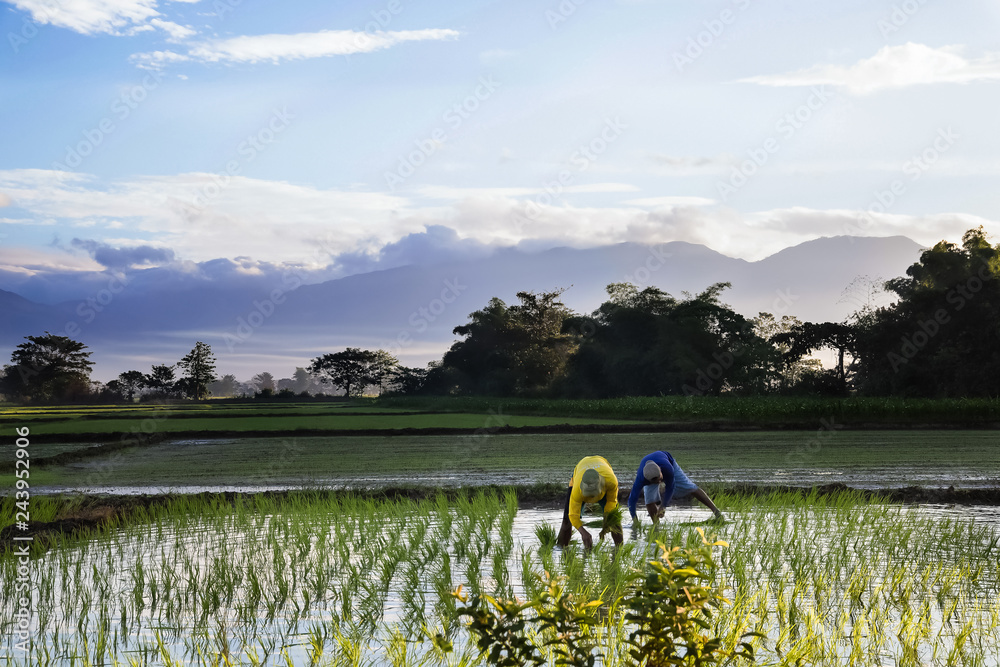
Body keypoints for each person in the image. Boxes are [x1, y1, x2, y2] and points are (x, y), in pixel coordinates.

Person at [627, 451, 723, 523]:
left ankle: (717, 513)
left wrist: (663, 506)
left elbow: (670, 488)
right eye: (656, 482)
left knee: (690, 487)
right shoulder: (641, 479)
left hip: (667, 460)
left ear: (660, 471)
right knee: (649, 501)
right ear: (648, 480)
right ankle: (656, 526)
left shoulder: (668, 469)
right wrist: (635, 520)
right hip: (649, 471)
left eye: (660, 479)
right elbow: (632, 500)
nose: (660, 483)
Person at [557, 455, 623, 549]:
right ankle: (561, 550)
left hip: (602, 465)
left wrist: (607, 522)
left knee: (614, 519)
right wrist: (583, 532)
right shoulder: (576, 490)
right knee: (566, 520)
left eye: (593, 495)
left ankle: (619, 549)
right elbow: (573, 515)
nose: (591, 500)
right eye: (588, 496)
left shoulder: (611, 481)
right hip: (580, 470)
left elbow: (611, 502)